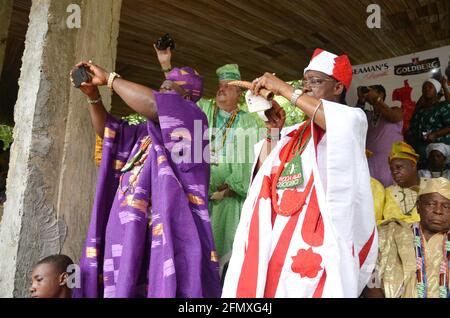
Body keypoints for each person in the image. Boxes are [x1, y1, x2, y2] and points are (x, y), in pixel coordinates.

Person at [222, 48, 378, 298]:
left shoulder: (352, 119)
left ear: (338, 88)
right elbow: (263, 176)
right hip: (275, 234)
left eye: (315, 81)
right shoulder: (294, 131)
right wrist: (274, 132)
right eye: (304, 82)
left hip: (317, 240)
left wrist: (284, 89)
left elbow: (336, 123)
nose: (305, 88)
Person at [71, 57, 221, 297]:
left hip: (163, 233)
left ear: (185, 98)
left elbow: (153, 105)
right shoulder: (146, 130)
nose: (161, 91)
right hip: (126, 229)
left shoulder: (193, 121)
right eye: (161, 87)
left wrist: (109, 78)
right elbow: (109, 131)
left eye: (170, 89)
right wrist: (92, 95)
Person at [196, 64, 263, 278]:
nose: (221, 89)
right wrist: (166, 65)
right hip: (200, 198)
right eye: (220, 86)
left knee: (227, 261)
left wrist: (229, 190)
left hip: (230, 201)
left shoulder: (249, 121)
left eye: (228, 86)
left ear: (239, 95)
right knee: (200, 255)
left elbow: (255, 164)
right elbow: (179, 97)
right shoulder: (205, 110)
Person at [363, 177, 450, 298]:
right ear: (418, 206)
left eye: (446, 206)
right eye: (431, 204)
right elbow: (370, 275)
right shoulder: (391, 232)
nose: (438, 211)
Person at [357, 84, 403, 187]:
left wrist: (376, 99)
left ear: (381, 94)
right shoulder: (367, 115)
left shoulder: (396, 110)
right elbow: (354, 122)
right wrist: (361, 99)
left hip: (390, 164)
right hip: (370, 164)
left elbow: (393, 117)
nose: (368, 94)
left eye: (371, 91)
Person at [406, 78, 450, 168]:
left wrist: (435, 134)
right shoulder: (420, 109)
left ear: (436, 90)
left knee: (440, 179)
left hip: (437, 152)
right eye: (424, 87)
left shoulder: (442, 106)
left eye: (430, 87)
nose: (426, 89)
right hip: (418, 151)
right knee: (423, 178)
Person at [380, 141, 423, 224]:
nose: (395, 172)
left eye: (399, 167)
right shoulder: (387, 192)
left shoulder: (432, 187)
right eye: (392, 169)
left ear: (413, 165)